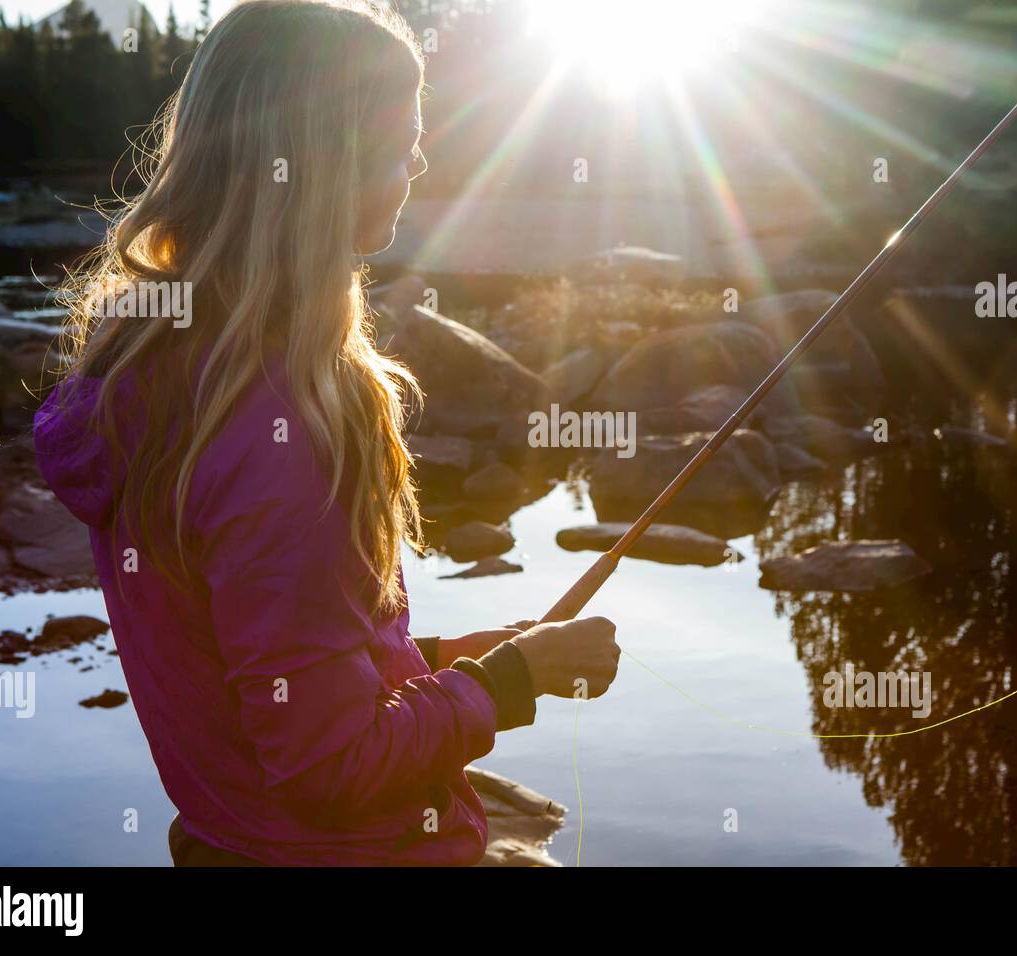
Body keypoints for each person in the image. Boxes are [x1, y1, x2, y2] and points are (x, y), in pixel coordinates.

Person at [33, 0, 620, 867]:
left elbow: (278, 674)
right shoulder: (279, 435)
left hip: (224, 840)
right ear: (320, 165)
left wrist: (482, 657)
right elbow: (329, 762)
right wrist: (513, 683)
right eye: (399, 141)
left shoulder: (147, 379)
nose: (420, 159)